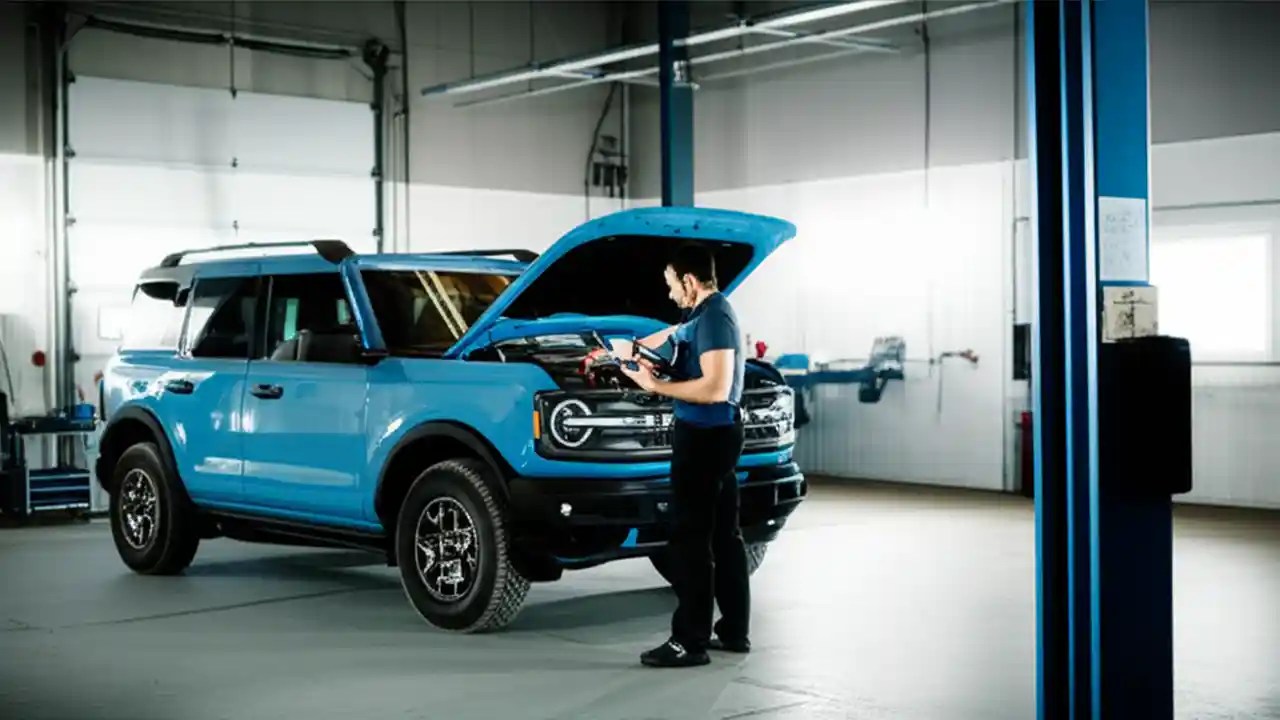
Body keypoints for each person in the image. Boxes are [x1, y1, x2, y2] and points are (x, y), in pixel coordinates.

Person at [620, 242, 751, 669]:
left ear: (690, 282)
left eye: (672, 285)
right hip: (718, 436)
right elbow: (672, 339)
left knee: (689, 539)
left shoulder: (714, 318)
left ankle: (688, 641)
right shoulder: (699, 316)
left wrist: (656, 387)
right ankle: (732, 631)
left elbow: (715, 388)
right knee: (723, 536)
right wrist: (632, 353)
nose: (670, 293)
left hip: (704, 438)